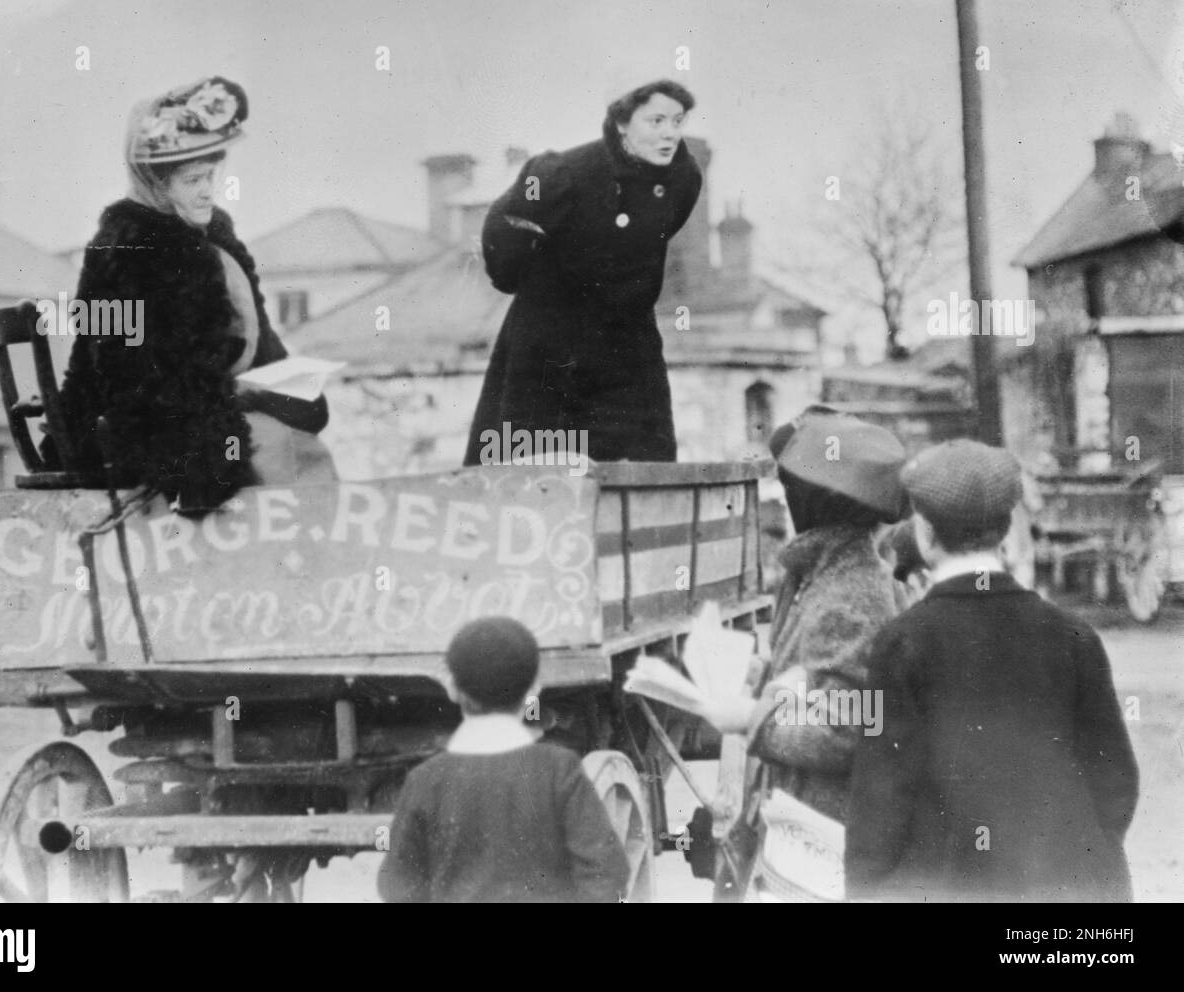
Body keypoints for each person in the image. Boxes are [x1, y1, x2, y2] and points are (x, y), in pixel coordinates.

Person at [845, 440, 1139, 902]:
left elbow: (879, 798)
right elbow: (1117, 781)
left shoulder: (901, 644)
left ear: (923, 532)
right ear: (1006, 530)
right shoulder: (1075, 637)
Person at [54, 76, 333, 516]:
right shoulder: (123, 248)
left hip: (214, 403)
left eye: (210, 176)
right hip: (152, 421)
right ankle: (286, 556)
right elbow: (120, 368)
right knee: (280, 448)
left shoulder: (212, 235)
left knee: (299, 440)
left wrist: (283, 383)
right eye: (192, 180)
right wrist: (235, 399)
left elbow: (255, 330)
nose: (207, 190)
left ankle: (310, 550)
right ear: (157, 182)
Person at [700, 411, 909, 897]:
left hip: (827, 840)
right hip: (807, 825)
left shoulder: (851, 592)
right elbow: (812, 679)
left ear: (809, 503)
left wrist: (750, 717)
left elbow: (844, 732)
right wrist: (763, 677)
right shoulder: (823, 574)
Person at [462, 79, 703, 466]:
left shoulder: (683, 178)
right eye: (656, 121)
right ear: (622, 122)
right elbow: (504, 230)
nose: (669, 134)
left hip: (628, 347)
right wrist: (536, 278)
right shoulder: (561, 174)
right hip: (550, 348)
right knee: (534, 471)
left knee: (639, 469)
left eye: (677, 121)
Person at [377, 617, 630, 903]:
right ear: (534, 689)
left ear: (451, 688)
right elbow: (606, 872)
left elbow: (396, 885)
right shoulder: (560, 770)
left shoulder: (425, 779)